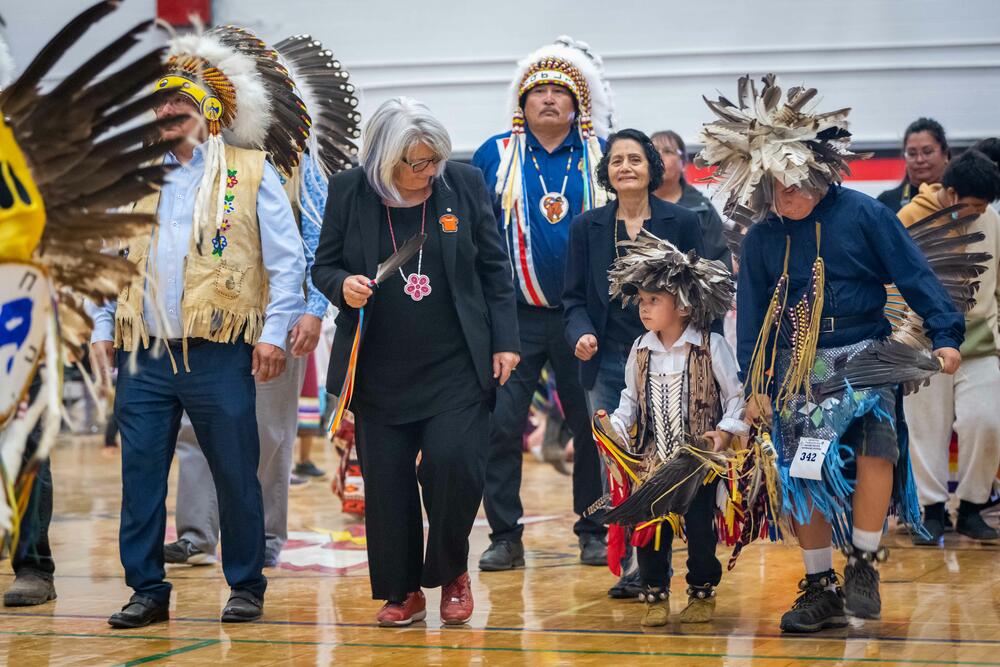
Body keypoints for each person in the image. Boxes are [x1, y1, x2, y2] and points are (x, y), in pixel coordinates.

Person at [698, 74, 964, 633]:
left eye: (794, 184)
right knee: (804, 472)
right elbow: (752, 322)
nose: (785, 196)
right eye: (774, 186)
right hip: (801, 367)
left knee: (877, 450)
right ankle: (820, 586)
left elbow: (913, 274)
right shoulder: (766, 237)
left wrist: (944, 334)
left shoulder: (864, 216)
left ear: (819, 172)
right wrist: (754, 387)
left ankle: (863, 566)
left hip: (867, 352)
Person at [89, 26, 311, 628]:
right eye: (159, 103)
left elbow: (287, 262)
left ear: (209, 112)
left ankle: (245, 583)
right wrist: (102, 323)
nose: (165, 111)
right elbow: (109, 259)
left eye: (179, 103)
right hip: (144, 352)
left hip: (216, 352)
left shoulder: (250, 170)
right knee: (140, 477)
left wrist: (272, 334)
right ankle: (146, 589)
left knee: (236, 471)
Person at [0, 1, 182, 611]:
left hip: (12, 306)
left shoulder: (11, 146)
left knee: (22, 438)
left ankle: (33, 564)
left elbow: (31, 223)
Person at [312, 97, 519, 627]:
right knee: (386, 481)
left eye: (435, 161)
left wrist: (506, 341)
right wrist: (345, 287)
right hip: (379, 367)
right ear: (384, 160)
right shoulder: (349, 191)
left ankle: (452, 572)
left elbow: (496, 269)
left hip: (455, 363)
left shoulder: (464, 186)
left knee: (454, 465)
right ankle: (402, 590)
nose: (429, 173)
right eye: (417, 164)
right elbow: (325, 266)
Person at [472, 37, 613, 571]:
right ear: (521, 104)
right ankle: (505, 535)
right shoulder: (496, 155)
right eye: (539, 91)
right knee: (501, 425)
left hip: (584, 318)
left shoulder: (601, 154)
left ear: (578, 105)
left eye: (561, 91)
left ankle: (594, 528)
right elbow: (476, 236)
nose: (549, 99)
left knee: (592, 427)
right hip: (513, 319)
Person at [562, 128, 704, 596]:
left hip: (667, 359)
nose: (626, 167)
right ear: (607, 171)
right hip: (606, 362)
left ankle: (673, 562)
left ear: (651, 168)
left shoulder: (682, 222)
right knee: (621, 462)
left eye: (635, 159)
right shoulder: (586, 226)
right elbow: (573, 300)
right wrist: (580, 332)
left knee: (664, 458)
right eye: (617, 160)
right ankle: (635, 566)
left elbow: (700, 295)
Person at [596, 230, 745, 626]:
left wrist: (725, 433)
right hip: (653, 461)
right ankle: (655, 593)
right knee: (651, 531)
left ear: (683, 306)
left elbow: (735, 398)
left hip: (698, 463)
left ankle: (701, 590)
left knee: (700, 531)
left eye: (654, 301)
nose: (644, 309)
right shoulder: (640, 348)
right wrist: (615, 425)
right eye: (642, 302)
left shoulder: (710, 346)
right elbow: (631, 397)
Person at [900, 148, 1000, 544]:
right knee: (926, 429)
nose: (978, 213)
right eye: (972, 206)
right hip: (922, 343)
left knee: (987, 421)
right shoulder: (910, 217)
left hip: (980, 343)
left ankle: (973, 507)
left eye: (984, 207)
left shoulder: (990, 218)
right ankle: (932, 511)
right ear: (951, 193)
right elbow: (890, 283)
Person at [650, 130, 730, 268]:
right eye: (653, 151)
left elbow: (721, 259)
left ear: (683, 162)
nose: (659, 156)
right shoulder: (634, 205)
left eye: (668, 151)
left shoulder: (702, 207)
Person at [877, 118, 951, 213]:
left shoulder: (959, 197)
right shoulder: (886, 202)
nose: (919, 160)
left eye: (927, 152)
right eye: (912, 153)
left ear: (945, 154)